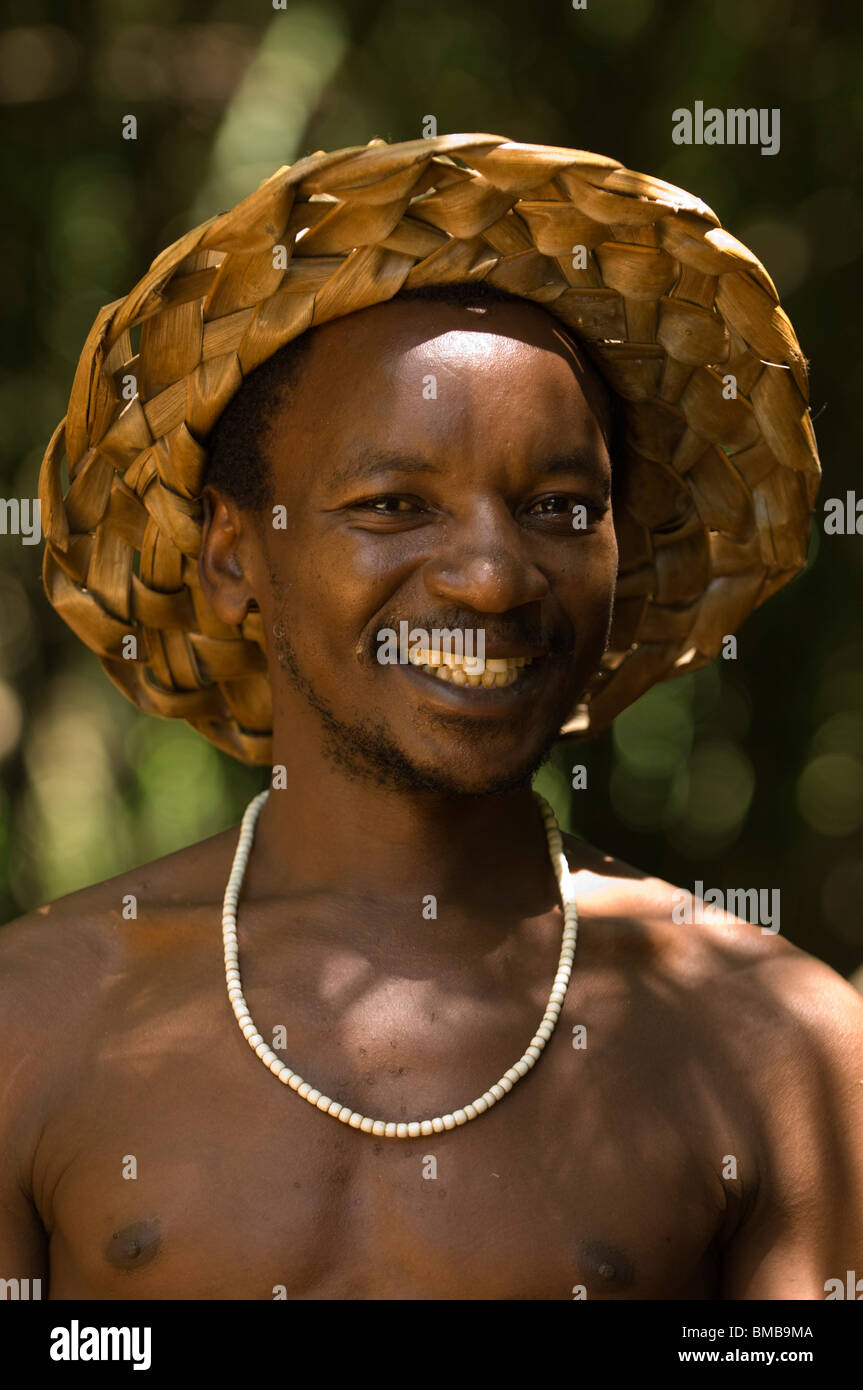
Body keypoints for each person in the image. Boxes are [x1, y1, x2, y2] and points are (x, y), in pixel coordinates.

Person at [2, 134, 861, 1301]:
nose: (492, 579)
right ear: (231, 554)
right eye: (394, 504)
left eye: (559, 507)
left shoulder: (776, 1043)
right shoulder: (37, 1019)